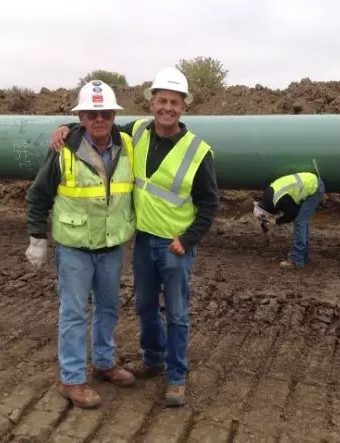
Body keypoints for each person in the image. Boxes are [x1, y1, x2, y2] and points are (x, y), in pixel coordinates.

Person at [50, 67, 219, 407]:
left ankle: (175, 376)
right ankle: (153, 359)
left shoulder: (198, 151)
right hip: (143, 240)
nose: (166, 108)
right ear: (151, 104)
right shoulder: (137, 133)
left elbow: (210, 203)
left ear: (183, 107)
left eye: (173, 102)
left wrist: (188, 240)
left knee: (176, 312)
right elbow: (97, 130)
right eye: (161, 101)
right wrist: (64, 130)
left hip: (174, 244)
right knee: (144, 307)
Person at [25, 80, 137, 410]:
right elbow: (38, 195)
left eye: (104, 112)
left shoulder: (128, 144)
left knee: (108, 308)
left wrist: (67, 125)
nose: (98, 118)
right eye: (90, 113)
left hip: (110, 245)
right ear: (81, 117)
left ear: (114, 115)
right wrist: (37, 238)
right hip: (74, 247)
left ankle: (104, 363)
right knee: (74, 313)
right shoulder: (63, 150)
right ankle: (71, 379)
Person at [253, 172, 325, 269]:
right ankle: (303, 256)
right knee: (303, 221)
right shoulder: (269, 197)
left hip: (314, 188)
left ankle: (296, 260)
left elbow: (292, 214)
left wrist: (276, 221)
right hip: (311, 182)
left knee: (300, 221)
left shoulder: (279, 199)